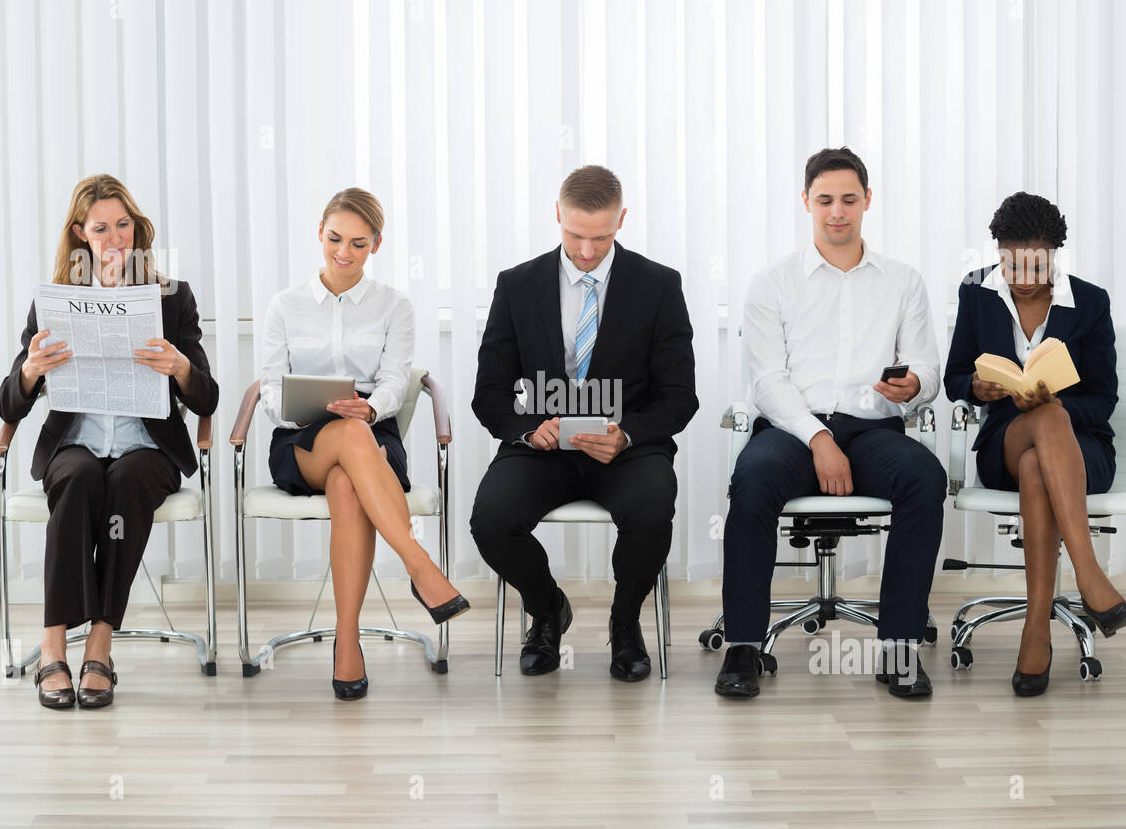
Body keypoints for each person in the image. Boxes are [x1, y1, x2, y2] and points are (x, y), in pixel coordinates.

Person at [715, 147, 945, 700]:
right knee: (752, 483)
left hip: (873, 431)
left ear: (868, 201)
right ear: (806, 203)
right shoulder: (772, 284)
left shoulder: (903, 281)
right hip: (794, 430)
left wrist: (913, 386)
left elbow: (927, 368)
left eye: (848, 199)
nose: (836, 211)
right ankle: (744, 645)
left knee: (924, 478)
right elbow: (768, 381)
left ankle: (899, 648)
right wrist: (818, 439)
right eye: (825, 200)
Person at [0, 173, 219, 709]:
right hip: (75, 443)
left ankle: (100, 640)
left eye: (124, 225)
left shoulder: (171, 297)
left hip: (149, 448)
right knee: (77, 478)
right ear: (80, 235)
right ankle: (55, 642)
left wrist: (181, 367)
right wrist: (30, 372)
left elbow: (207, 398)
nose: (116, 237)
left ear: (137, 229)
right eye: (102, 228)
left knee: (126, 480)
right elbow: (8, 405)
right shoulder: (55, 301)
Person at [470, 165, 698, 681]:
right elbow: (489, 393)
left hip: (628, 446)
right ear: (557, 215)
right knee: (491, 520)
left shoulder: (659, 285)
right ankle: (546, 608)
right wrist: (528, 429)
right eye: (575, 234)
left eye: (601, 236)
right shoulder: (518, 285)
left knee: (651, 508)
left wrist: (628, 434)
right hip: (542, 445)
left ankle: (625, 621)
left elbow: (680, 396)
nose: (588, 250)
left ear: (622, 220)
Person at [259, 187, 469, 701]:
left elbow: (398, 380)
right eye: (334, 239)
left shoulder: (394, 305)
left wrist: (370, 408)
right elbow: (267, 389)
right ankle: (419, 565)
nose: (343, 253)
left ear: (376, 243)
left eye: (358, 243)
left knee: (348, 480)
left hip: (373, 436)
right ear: (319, 234)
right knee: (346, 436)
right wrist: (308, 407)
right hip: (300, 442)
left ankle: (347, 641)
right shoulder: (285, 305)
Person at [944, 192, 1126, 697]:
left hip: (1082, 449)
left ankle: (1036, 631)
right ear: (999, 252)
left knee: (1042, 451)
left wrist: (1053, 406)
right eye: (1012, 264)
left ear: (1055, 254)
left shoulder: (1090, 302)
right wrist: (977, 388)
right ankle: (1090, 576)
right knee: (1030, 443)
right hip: (1002, 444)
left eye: (1037, 264)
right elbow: (954, 376)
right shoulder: (975, 291)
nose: (1024, 277)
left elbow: (1102, 397)